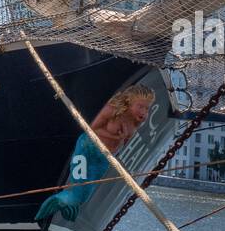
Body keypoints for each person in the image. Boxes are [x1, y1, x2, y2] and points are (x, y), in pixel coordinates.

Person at [36, 83, 156, 223]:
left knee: (85, 194)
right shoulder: (112, 111)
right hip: (88, 148)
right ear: (129, 102)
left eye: (147, 108)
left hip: (104, 158)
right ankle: (51, 204)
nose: (144, 112)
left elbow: (125, 141)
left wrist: (120, 141)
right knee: (78, 188)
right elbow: (91, 129)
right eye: (140, 106)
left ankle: (64, 205)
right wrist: (116, 137)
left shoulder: (135, 122)